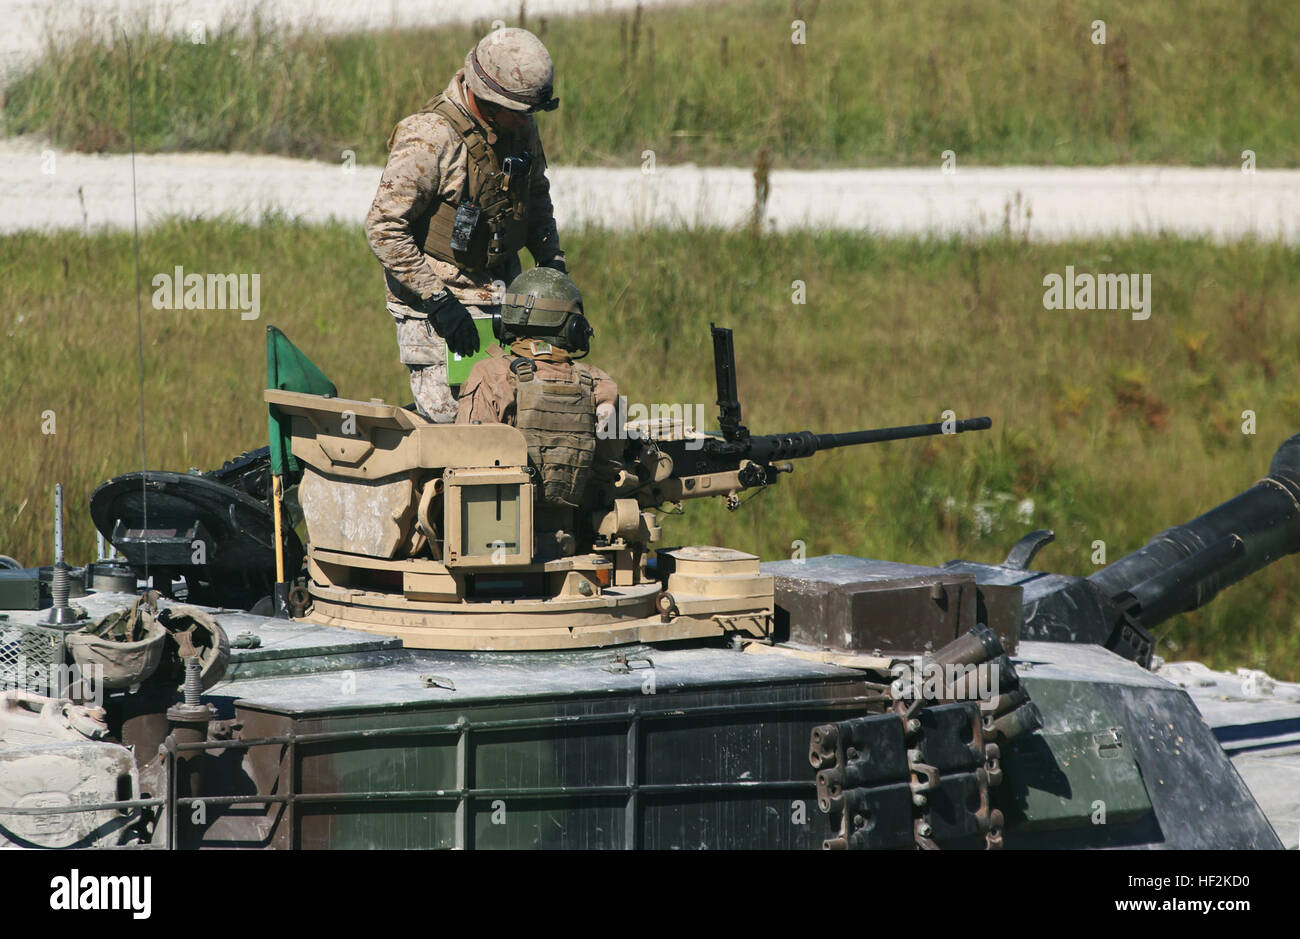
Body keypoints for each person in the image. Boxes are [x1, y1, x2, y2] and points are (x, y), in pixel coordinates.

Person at [365, 27, 568, 423]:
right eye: (521, 111)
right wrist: (438, 301)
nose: (527, 121)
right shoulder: (429, 137)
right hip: (439, 306)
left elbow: (536, 196)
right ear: (488, 99)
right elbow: (384, 227)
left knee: (526, 418)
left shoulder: (520, 127)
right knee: (460, 430)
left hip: (504, 300)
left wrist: (552, 264)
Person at [457, 268, 619, 511]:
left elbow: (468, 460)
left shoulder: (490, 375)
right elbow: (609, 467)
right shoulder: (599, 382)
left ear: (504, 323)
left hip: (506, 527)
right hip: (576, 528)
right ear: (574, 327)